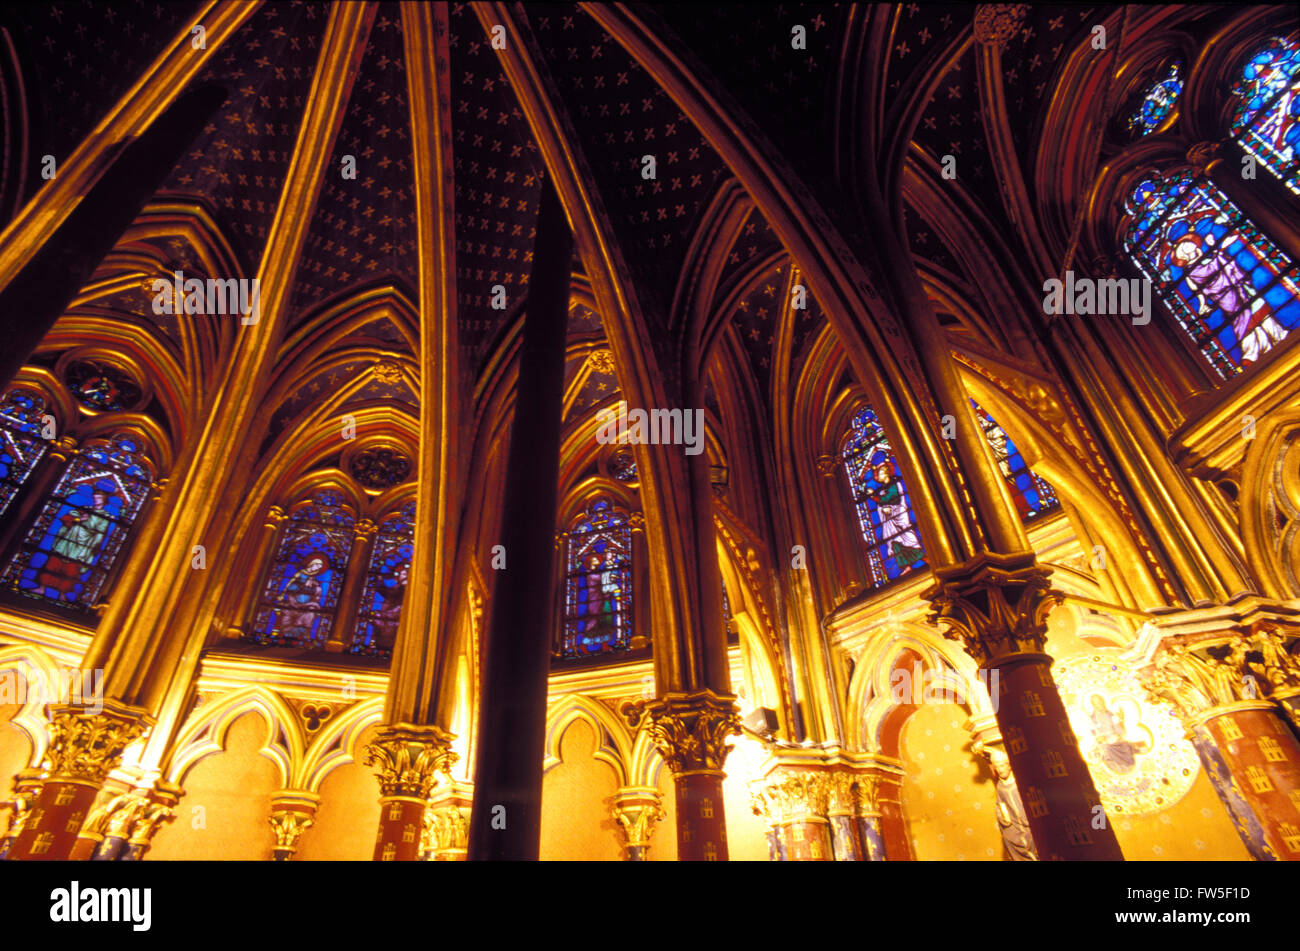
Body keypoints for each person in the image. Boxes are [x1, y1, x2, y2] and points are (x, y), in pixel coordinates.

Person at [1170, 229, 1289, 364]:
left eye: (1186, 243)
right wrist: (1202, 304)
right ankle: (1251, 352)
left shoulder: (1209, 256)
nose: (1186, 245)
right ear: (1183, 256)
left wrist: (1217, 249)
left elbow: (1225, 264)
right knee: (1242, 317)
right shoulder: (1191, 271)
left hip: (1238, 286)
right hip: (1225, 297)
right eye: (1182, 247)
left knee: (1258, 306)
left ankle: (1279, 335)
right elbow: (1204, 280)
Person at [37, 488, 115, 597]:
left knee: (72, 569)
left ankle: (62, 595)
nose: (96, 499)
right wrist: (79, 519)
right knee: (53, 562)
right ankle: (42, 588)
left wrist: (94, 547)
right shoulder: (85, 509)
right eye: (95, 497)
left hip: (84, 544)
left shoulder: (105, 516)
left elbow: (100, 533)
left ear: (104, 500)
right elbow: (69, 517)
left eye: (99, 498)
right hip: (68, 541)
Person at [871, 463, 924, 571]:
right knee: (895, 541)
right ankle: (907, 567)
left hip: (898, 515)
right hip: (890, 519)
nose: (877, 476)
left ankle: (926, 559)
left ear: (886, 473)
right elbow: (884, 502)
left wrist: (875, 498)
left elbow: (892, 498)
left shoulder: (893, 484)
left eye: (879, 473)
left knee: (906, 539)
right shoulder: (883, 489)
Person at [277, 555, 328, 644]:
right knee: (288, 613)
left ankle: (302, 636)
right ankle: (284, 636)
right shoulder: (300, 574)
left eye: (319, 568)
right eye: (317, 566)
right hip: (293, 602)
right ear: (312, 564)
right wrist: (303, 584)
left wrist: (315, 588)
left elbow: (316, 594)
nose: (317, 569)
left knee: (311, 612)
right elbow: (290, 587)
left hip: (307, 604)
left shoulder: (313, 579)